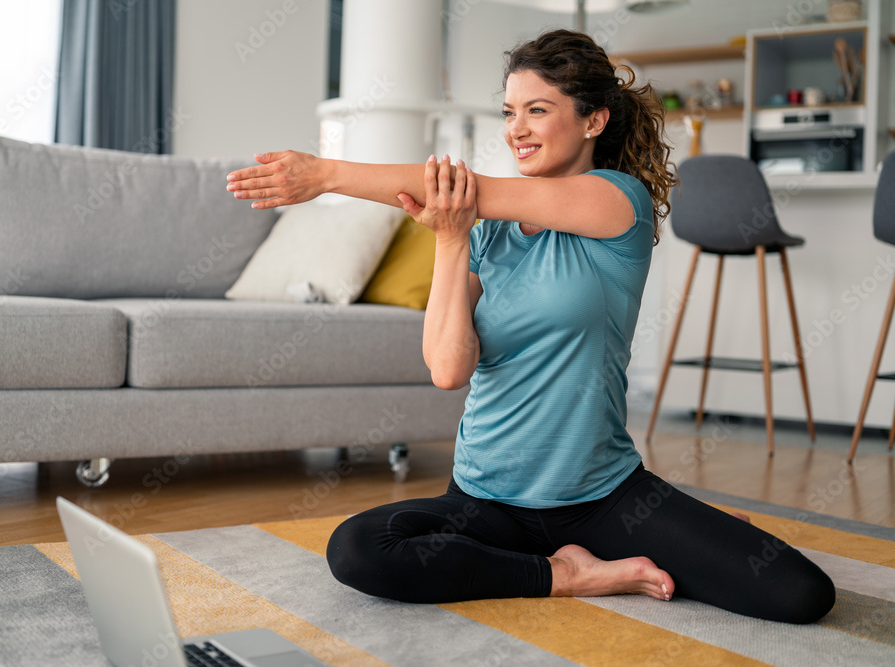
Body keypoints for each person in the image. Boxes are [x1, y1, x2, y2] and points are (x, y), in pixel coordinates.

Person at [226, 29, 835, 624]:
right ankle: (569, 575)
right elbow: (447, 369)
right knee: (359, 549)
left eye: (537, 110)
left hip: (601, 497)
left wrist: (325, 174)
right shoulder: (485, 228)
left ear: (593, 120)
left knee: (801, 595)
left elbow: (467, 187)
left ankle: (628, 541)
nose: (516, 129)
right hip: (484, 499)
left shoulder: (617, 202)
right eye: (510, 111)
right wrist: (450, 239)